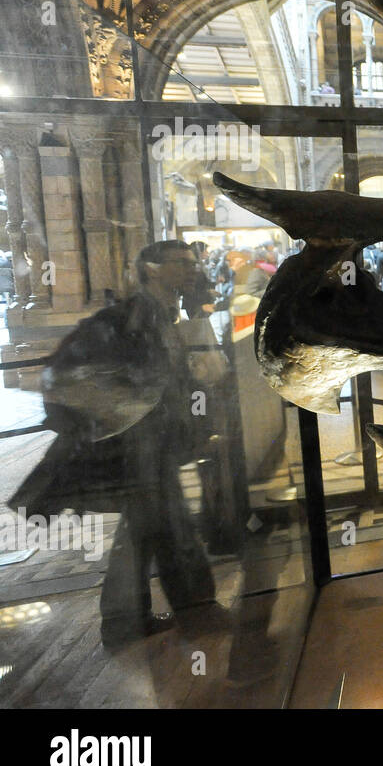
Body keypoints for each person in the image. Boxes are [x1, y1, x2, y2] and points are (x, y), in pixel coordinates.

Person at [10, 241, 226, 649]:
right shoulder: (127, 317)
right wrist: (116, 415)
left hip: (152, 444)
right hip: (136, 447)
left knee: (145, 529)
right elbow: (64, 374)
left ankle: (127, 620)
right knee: (168, 526)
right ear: (151, 269)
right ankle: (195, 613)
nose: (191, 270)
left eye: (192, 263)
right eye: (181, 264)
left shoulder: (166, 316)